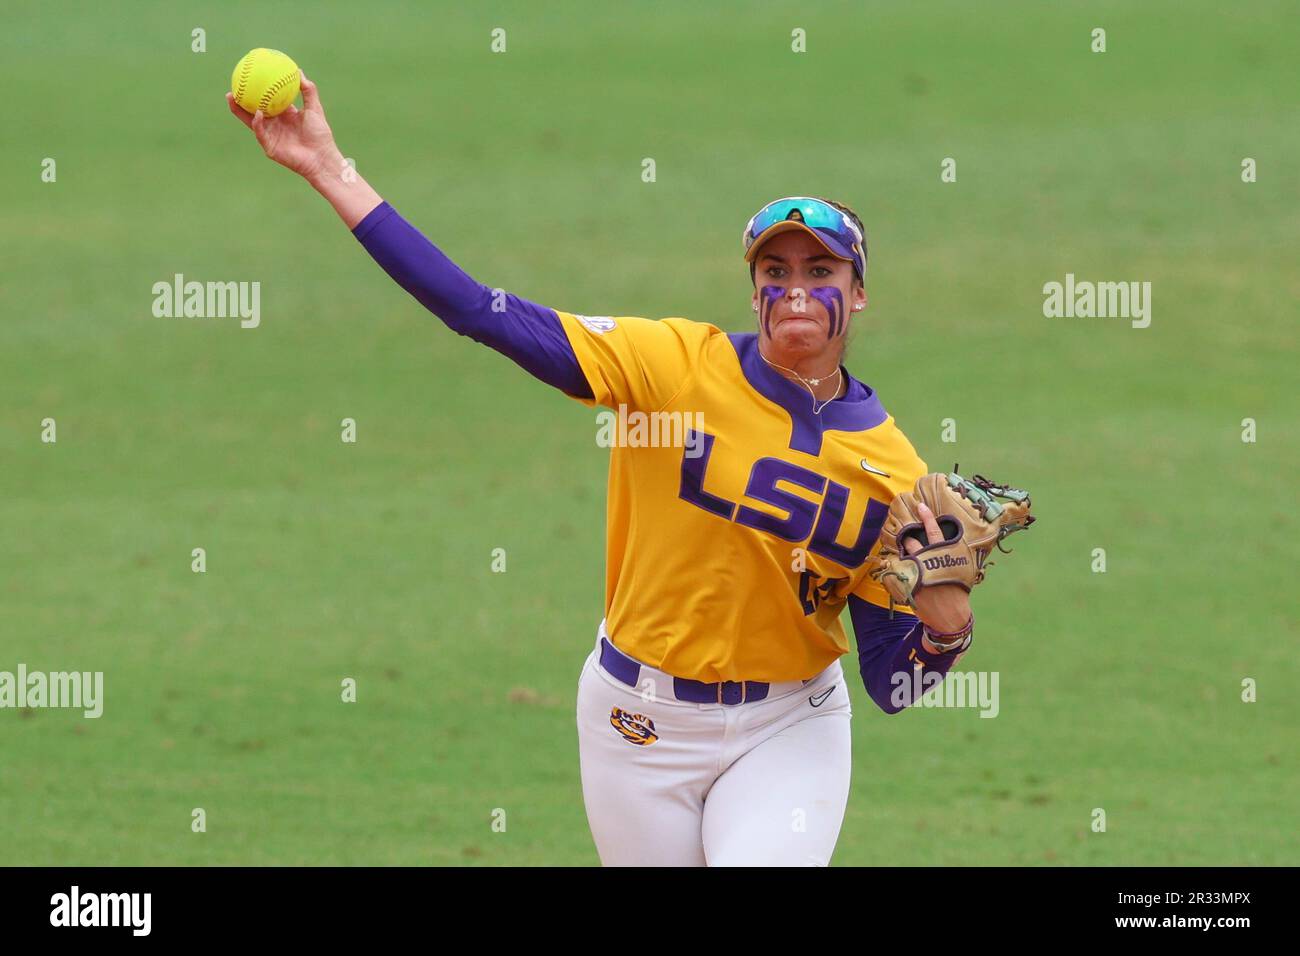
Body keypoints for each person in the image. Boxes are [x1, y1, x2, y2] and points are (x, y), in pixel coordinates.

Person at [227, 75, 975, 867]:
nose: (796, 288)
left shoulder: (895, 471)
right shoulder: (672, 365)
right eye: (775, 270)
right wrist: (330, 169)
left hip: (790, 728)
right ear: (754, 286)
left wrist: (947, 631)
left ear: (859, 295)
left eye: (821, 272)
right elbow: (480, 312)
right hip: (636, 725)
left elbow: (893, 687)